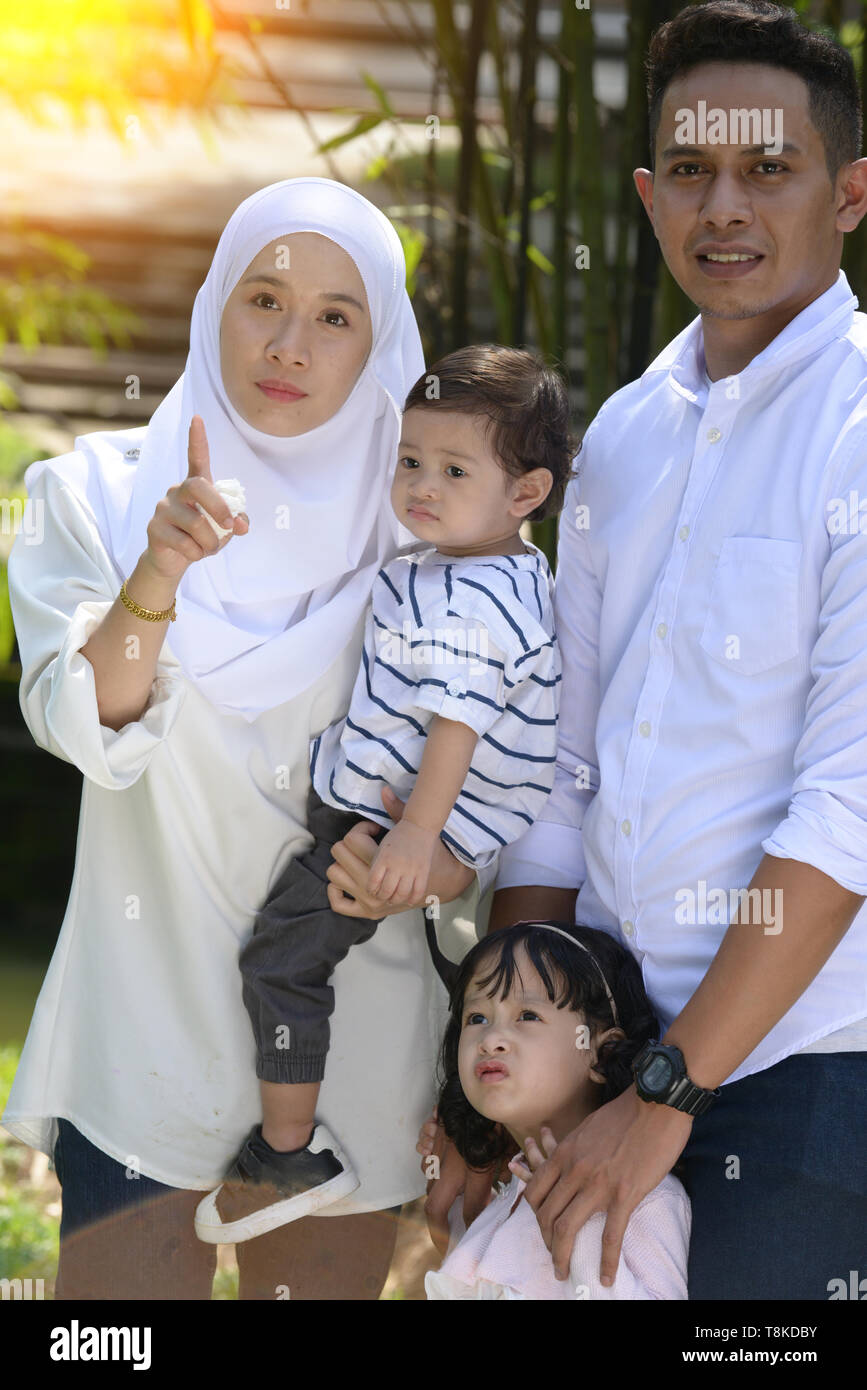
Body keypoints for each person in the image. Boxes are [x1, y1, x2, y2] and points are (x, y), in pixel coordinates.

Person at [422, 0, 867, 1301]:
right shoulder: (619, 435)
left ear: (845, 194)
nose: (720, 206)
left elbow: (846, 804)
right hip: (592, 1058)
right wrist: (499, 1082)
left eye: (764, 170)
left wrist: (668, 1091)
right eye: (688, 171)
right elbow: (559, 772)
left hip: (798, 1080)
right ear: (645, 192)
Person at [3, 176, 482, 1300]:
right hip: (141, 1027)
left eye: (335, 315)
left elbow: (502, 799)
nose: (291, 342)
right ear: (215, 303)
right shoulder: (99, 493)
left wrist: (433, 863)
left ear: (383, 345)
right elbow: (83, 723)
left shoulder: (436, 545)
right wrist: (158, 572)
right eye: (263, 297)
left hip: (355, 1053)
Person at [193, 344, 574, 1244]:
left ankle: (290, 1154)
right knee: (447, 986)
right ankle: (454, 1143)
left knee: (282, 961)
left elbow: (456, 722)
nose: (421, 486)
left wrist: (414, 839)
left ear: (525, 495)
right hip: (404, 817)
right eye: (409, 461)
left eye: (452, 470)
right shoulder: (457, 562)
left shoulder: (482, 596)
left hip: (400, 823)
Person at [423, 920, 690, 1299]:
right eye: (476, 1018)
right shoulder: (498, 1200)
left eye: (527, 1016)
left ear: (602, 1052)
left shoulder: (647, 1199)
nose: (491, 1039)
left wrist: (578, 1236)